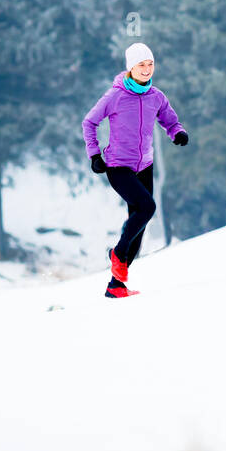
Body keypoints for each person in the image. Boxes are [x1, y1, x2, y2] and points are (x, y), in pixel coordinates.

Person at [81, 42, 189, 298]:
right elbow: (89, 122)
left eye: (150, 64)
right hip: (118, 166)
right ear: (131, 67)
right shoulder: (114, 96)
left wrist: (178, 132)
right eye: (141, 64)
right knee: (147, 208)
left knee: (137, 232)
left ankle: (115, 286)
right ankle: (117, 254)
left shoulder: (157, 96)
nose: (147, 69)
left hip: (145, 166)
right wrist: (94, 154)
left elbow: (169, 120)